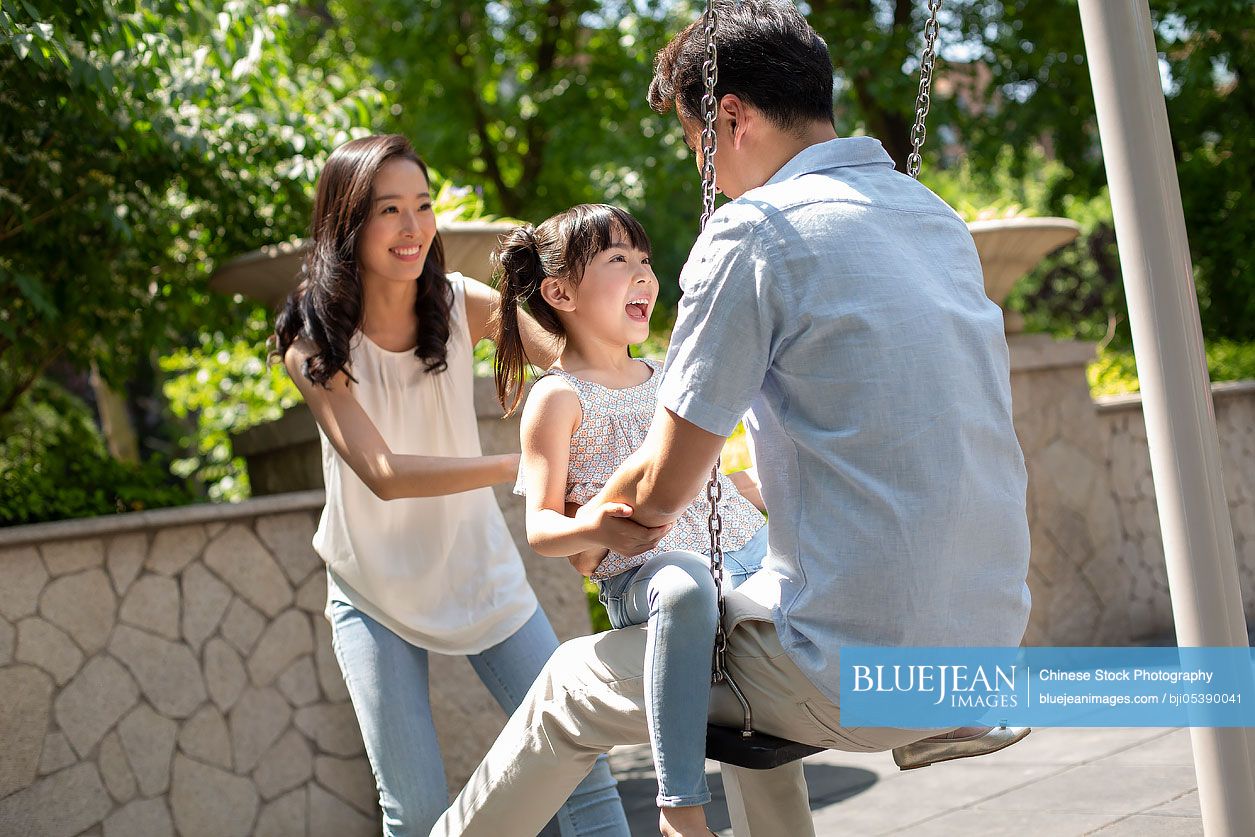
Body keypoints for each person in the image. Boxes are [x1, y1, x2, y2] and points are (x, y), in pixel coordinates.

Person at [431, 3, 1033, 835]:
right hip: (984, 658)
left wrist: (600, 524)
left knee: (572, 684)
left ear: (728, 116)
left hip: (849, 674)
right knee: (733, 645)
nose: (704, 172)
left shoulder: (754, 231)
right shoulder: (930, 214)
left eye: (693, 144)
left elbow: (671, 483)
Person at [270, 134, 629, 837]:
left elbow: (571, 365)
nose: (413, 228)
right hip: (371, 589)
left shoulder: (457, 301)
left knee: (582, 768)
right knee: (416, 810)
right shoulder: (313, 341)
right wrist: (518, 466)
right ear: (348, 223)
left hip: (477, 569)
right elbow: (381, 473)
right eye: (389, 210)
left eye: (424, 206)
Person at [492, 203, 777, 833]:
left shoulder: (671, 373)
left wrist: (771, 494)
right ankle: (681, 805)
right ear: (560, 291)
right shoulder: (558, 396)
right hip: (646, 571)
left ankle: (929, 709)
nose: (643, 276)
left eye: (644, 261)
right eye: (618, 261)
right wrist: (599, 528)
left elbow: (712, 471)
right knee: (684, 584)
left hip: (739, 546)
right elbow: (542, 530)